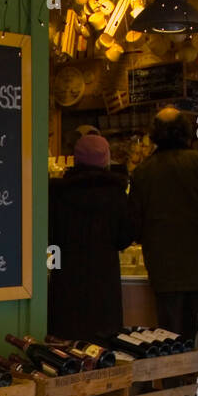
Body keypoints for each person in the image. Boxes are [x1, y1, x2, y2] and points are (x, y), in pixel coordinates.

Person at [128, 107, 198, 339]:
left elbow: (134, 224)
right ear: (186, 132)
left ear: (154, 135)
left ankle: (173, 376)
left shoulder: (143, 172)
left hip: (163, 270)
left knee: (169, 338)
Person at [47, 133, 133, 338]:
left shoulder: (58, 193)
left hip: (66, 278)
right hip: (105, 280)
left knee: (66, 343)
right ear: (106, 159)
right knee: (103, 346)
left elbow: (49, 234)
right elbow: (125, 237)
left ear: (76, 159)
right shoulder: (117, 194)